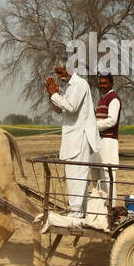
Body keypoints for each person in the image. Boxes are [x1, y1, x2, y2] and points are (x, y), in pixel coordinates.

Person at [46, 62, 100, 218]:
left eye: (61, 72)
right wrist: (52, 95)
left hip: (80, 137)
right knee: (75, 175)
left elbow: (71, 107)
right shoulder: (69, 87)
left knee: (75, 174)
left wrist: (54, 95)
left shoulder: (80, 84)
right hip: (72, 137)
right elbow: (59, 109)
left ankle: (76, 213)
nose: (59, 76)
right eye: (57, 73)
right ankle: (80, 211)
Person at [94, 72, 121, 203]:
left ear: (111, 84)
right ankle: (99, 208)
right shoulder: (101, 99)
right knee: (98, 176)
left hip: (108, 141)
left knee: (108, 175)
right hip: (99, 141)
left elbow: (111, 121)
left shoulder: (113, 98)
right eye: (100, 83)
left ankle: (112, 208)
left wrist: (93, 126)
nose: (102, 85)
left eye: (105, 83)